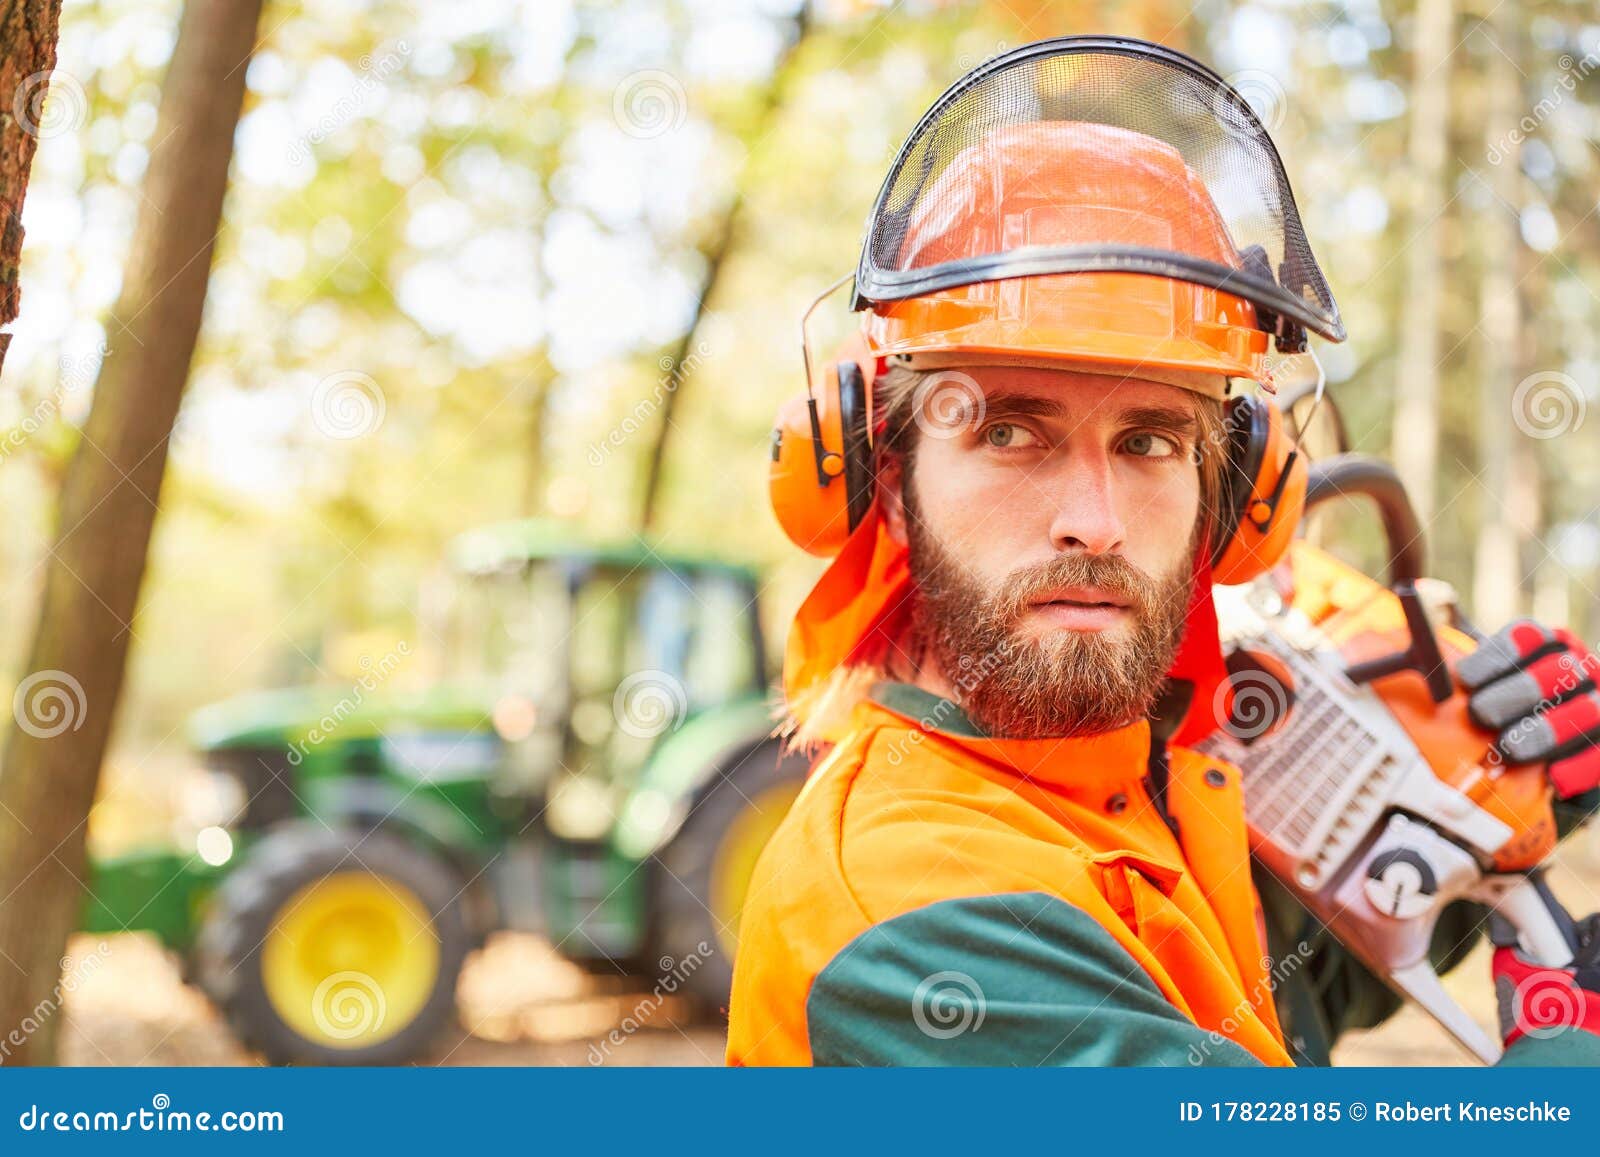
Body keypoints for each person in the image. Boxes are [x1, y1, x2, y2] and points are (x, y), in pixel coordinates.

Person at [728, 36, 1600, 1067]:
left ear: (1228, 500)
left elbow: (1283, 996)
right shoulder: (905, 912)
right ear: (890, 482)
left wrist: (1502, 793)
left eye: (1148, 441)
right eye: (1008, 431)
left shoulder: (1145, 775)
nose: (1093, 520)